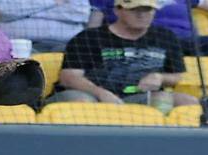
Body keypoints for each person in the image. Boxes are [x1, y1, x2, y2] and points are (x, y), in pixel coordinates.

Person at [47, 0, 197, 113]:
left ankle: (158, 144)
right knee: (83, 101)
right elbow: (69, 77)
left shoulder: (165, 37)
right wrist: (101, 93)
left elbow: (176, 75)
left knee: (187, 101)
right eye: (134, 9)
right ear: (118, 10)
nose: (141, 14)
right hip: (90, 94)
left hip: (136, 96)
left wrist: (160, 78)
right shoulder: (90, 38)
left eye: (147, 9)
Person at [0, 0, 92, 54]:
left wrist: (25, 12)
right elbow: (1, 10)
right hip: (14, 46)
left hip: (66, 46)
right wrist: (53, 2)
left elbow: (80, 13)